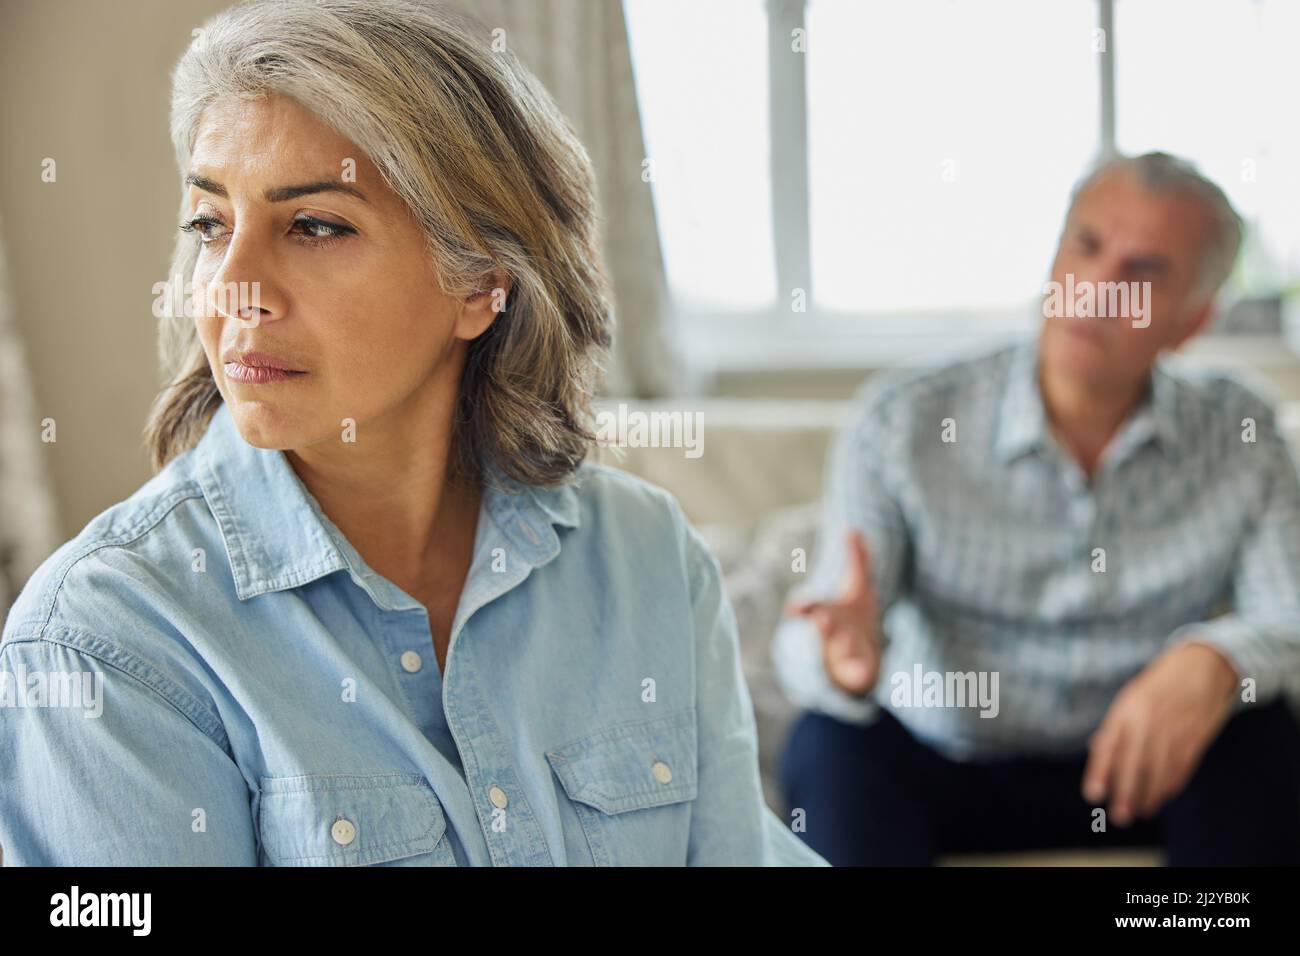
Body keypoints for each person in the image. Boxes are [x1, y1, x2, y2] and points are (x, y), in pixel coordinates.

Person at [0, 0, 824, 867]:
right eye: (211, 224)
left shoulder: (647, 556)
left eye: (314, 225)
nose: (231, 289)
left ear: (481, 286)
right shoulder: (108, 644)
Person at [774, 151, 1300, 866]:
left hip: (1141, 771)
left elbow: (1287, 621)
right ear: (1054, 257)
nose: (1098, 289)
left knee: (1262, 732)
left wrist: (1215, 656)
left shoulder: (1243, 432)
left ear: (1193, 319)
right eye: (1086, 246)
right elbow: (819, 632)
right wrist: (843, 659)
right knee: (827, 741)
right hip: (945, 758)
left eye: (1143, 272)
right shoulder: (903, 421)